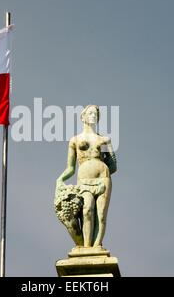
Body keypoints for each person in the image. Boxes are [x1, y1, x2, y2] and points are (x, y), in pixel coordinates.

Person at [56, 105, 117, 247]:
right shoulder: (75, 140)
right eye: (90, 113)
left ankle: (96, 247)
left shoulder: (104, 140)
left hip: (103, 179)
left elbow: (113, 165)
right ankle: (86, 246)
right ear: (83, 117)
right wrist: (60, 179)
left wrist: (102, 170)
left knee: (101, 216)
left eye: (95, 114)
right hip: (84, 179)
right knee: (87, 210)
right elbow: (70, 168)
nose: (93, 116)